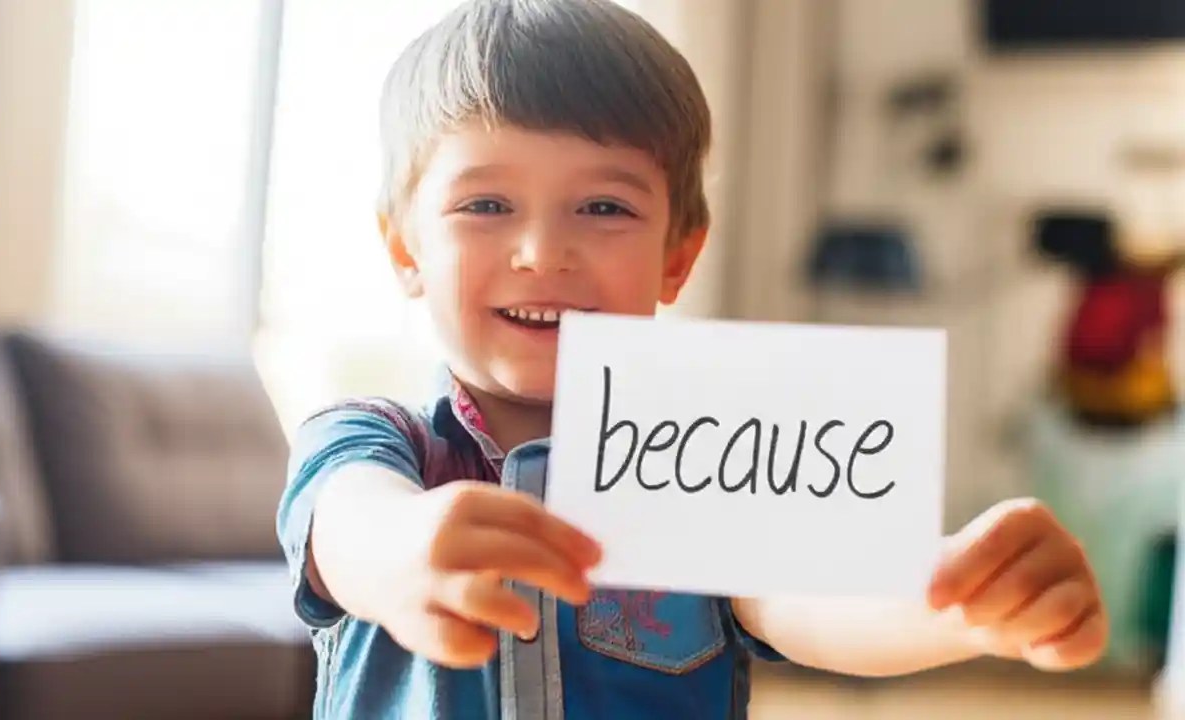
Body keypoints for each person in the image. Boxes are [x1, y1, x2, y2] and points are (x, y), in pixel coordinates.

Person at [276, 1, 1108, 717]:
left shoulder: (711, 464)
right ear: (406, 249)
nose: (543, 251)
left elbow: (805, 599)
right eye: (486, 204)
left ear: (678, 256)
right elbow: (350, 525)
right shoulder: (371, 443)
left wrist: (958, 602)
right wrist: (403, 548)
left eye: (604, 207)